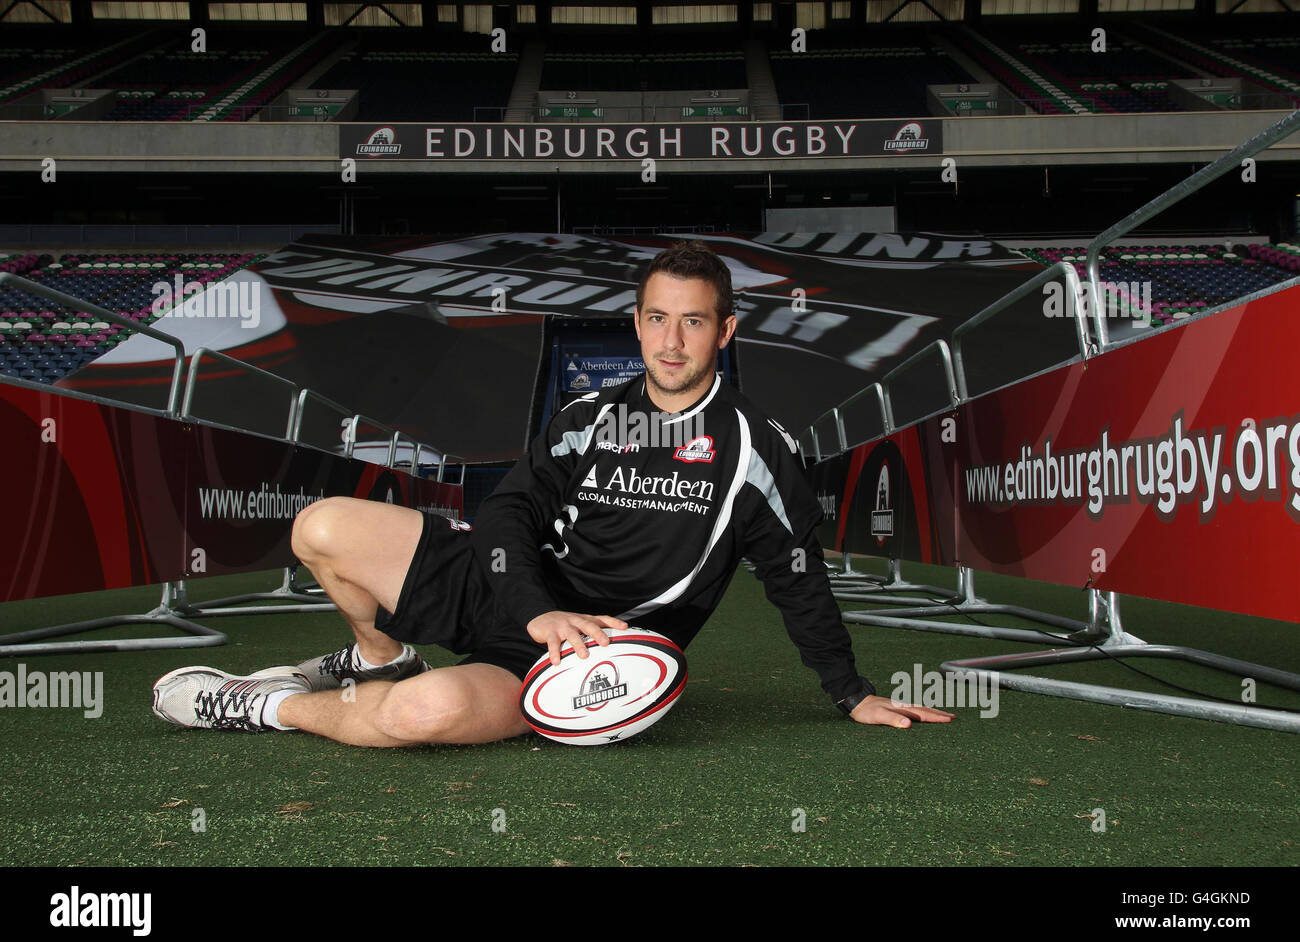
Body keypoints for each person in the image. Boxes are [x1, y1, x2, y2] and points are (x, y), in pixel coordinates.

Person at [151, 240, 953, 744]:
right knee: (322, 525)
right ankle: (380, 656)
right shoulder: (585, 417)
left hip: (580, 656)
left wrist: (851, 693)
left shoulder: (757, 453)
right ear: (636, 325)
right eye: (657, 318)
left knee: (416, 719)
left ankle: (260, 707)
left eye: (695, 322)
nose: (672, 341)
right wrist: (532, 602)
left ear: (726, 331)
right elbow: (507, 511)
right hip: (511, 590)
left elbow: (796, 576)